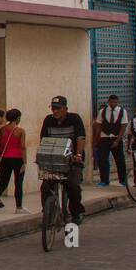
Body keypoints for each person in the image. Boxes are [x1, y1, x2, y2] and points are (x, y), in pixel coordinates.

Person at [39, 95, 86, 225]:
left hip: (72, 160)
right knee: (45, 186)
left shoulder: (74, 119)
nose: (55, 111)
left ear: (66, 108)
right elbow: (43, 141)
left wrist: (78, 155)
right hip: (54, 161)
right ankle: (49, 213)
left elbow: (80, 138)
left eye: (58, 108)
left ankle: (76, 212)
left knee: (73, 186)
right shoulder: (48, 120)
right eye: (53, 108)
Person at [0, 108, 28, 214]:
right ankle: (19, 207)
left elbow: (2, 144)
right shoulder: (21, 131)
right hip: (18, 159)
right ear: (18, 118)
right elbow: (23, 147)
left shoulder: (2, 129)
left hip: (5, 159)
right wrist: (25, 162)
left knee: (3, 183)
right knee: (18, 183)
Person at [94, 94, 128, 187]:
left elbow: (123, 126)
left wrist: (117, 140)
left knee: (120, 160)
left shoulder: (122, 111)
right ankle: (104, 180)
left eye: (115, 102)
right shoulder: (103, 111)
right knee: (102, 159)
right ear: (108, 102)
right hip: (104, 137)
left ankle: (123, 180)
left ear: (118, 102)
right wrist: (97, 138)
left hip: (116, 138)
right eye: (111, 102)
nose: (113, 104)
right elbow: (98, 124)